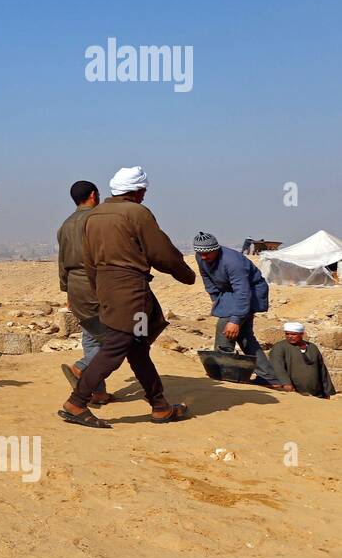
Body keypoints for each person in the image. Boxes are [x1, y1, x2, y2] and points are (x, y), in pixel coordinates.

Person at [59, 166, 195, 428]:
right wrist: (185, 273)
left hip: (105, 287)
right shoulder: (136, 213)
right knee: (116, 346)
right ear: (137, 191)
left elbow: (87, 260)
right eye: (142, 191)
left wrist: (99, 286)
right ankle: (76, 403)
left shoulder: (93, 216)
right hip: (130, 289)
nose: (144, 196)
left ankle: (160, 406)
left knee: (137, 347)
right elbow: (160, 251)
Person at [192, 231, 279, 387]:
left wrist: (236, 320)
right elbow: (208, 280)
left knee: (226, 327)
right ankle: (269, 377)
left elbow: (243, 292)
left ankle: (220, 370)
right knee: (245, 338)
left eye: (207, 254)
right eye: (200, 254)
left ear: (216, 248)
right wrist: (216, 300)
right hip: (228, 293)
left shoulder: (232, 262)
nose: (204, 258)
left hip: (250, 291)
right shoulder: (201, 257)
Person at [56, 180, 111, 405]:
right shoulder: (98, 221)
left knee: (91, 337)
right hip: (96, 285)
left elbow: (62, 263)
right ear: (93, 195)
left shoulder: (64, 225)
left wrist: (67, 292)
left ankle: (97, 392)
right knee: (115, 341)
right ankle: (81, 368)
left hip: (76, 289)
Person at [267, 323, 335, 398]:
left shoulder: (312, 347)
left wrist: (328, 391)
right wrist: (286, 383)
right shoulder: (279, 347)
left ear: (301, 334)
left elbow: (322, 369)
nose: (289, 336)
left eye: (293, 334)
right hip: (295, 394)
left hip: (317, 394)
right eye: (287, 334)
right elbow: (277, 367)